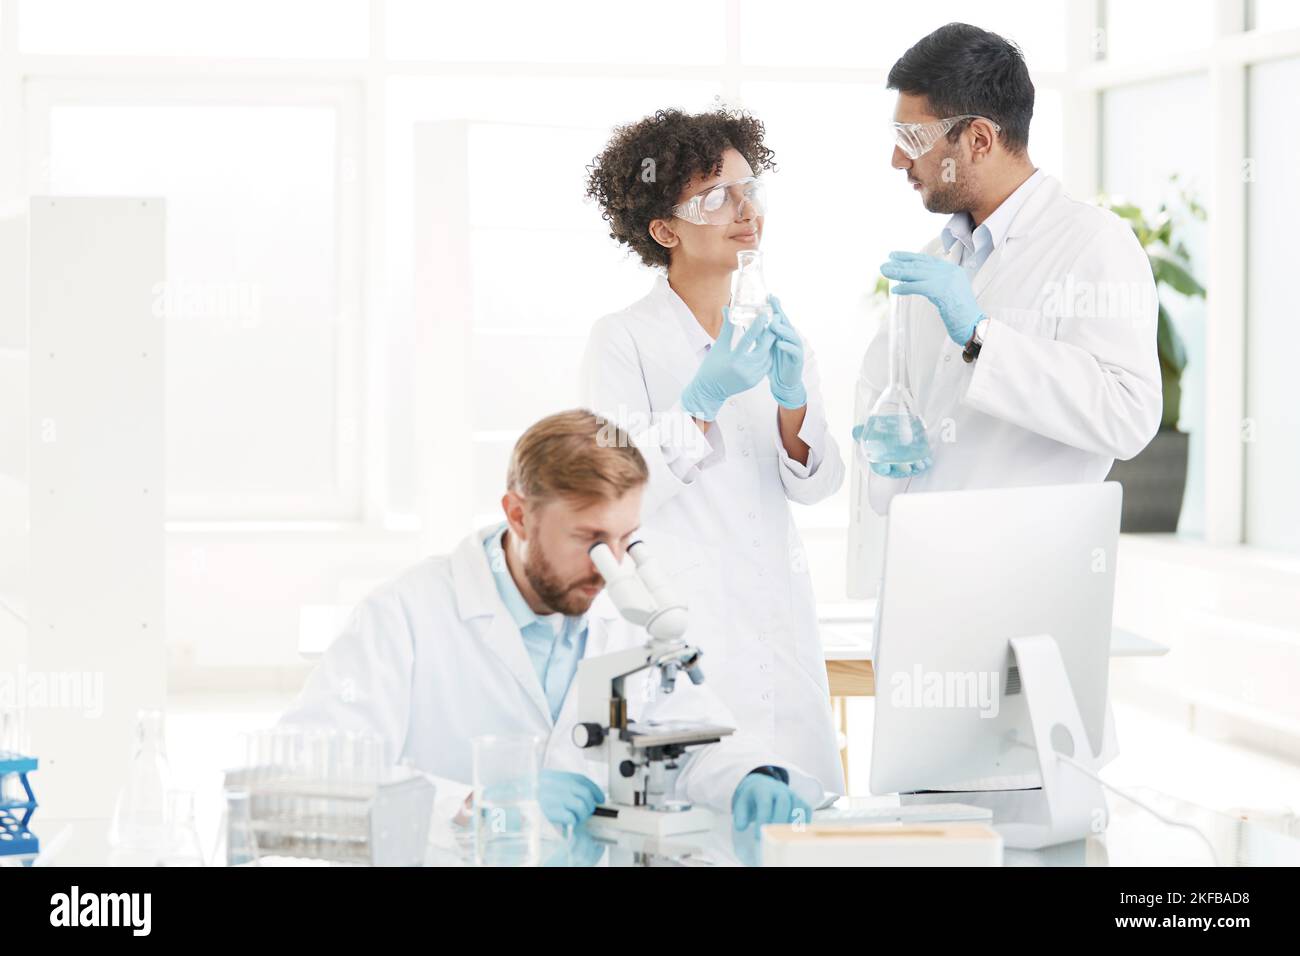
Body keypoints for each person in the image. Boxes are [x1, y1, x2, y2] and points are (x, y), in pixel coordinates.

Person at [281, 409, 824, 831]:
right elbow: (308, 778)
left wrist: (750, 775)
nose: (609, 567)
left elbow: (686, 736)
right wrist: (481, 803)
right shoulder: (404, 615)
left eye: (623, 540)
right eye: (589, 540)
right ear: (518, 514)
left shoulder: (624, 612)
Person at [581, 108, 846, 794]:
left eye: (748, 187)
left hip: (778, 625)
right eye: (714, 197)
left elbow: (816, 486)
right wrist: (697, 403)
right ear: (665, 229)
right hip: (687, 627)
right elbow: (612, 492)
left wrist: (793, 400)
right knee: (698, 814)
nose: (745, 209)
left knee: (795, 820)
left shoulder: (779, 330)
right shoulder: (622, 340)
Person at [852, 22, 1161, 526]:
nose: (897, 159)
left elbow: (1128, 416)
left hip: (1026, 566)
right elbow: (889, 401)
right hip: (923, 554)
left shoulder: (1094, 243)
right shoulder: (938, 257)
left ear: (978, 138)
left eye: (912, 137)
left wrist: (981, 337)